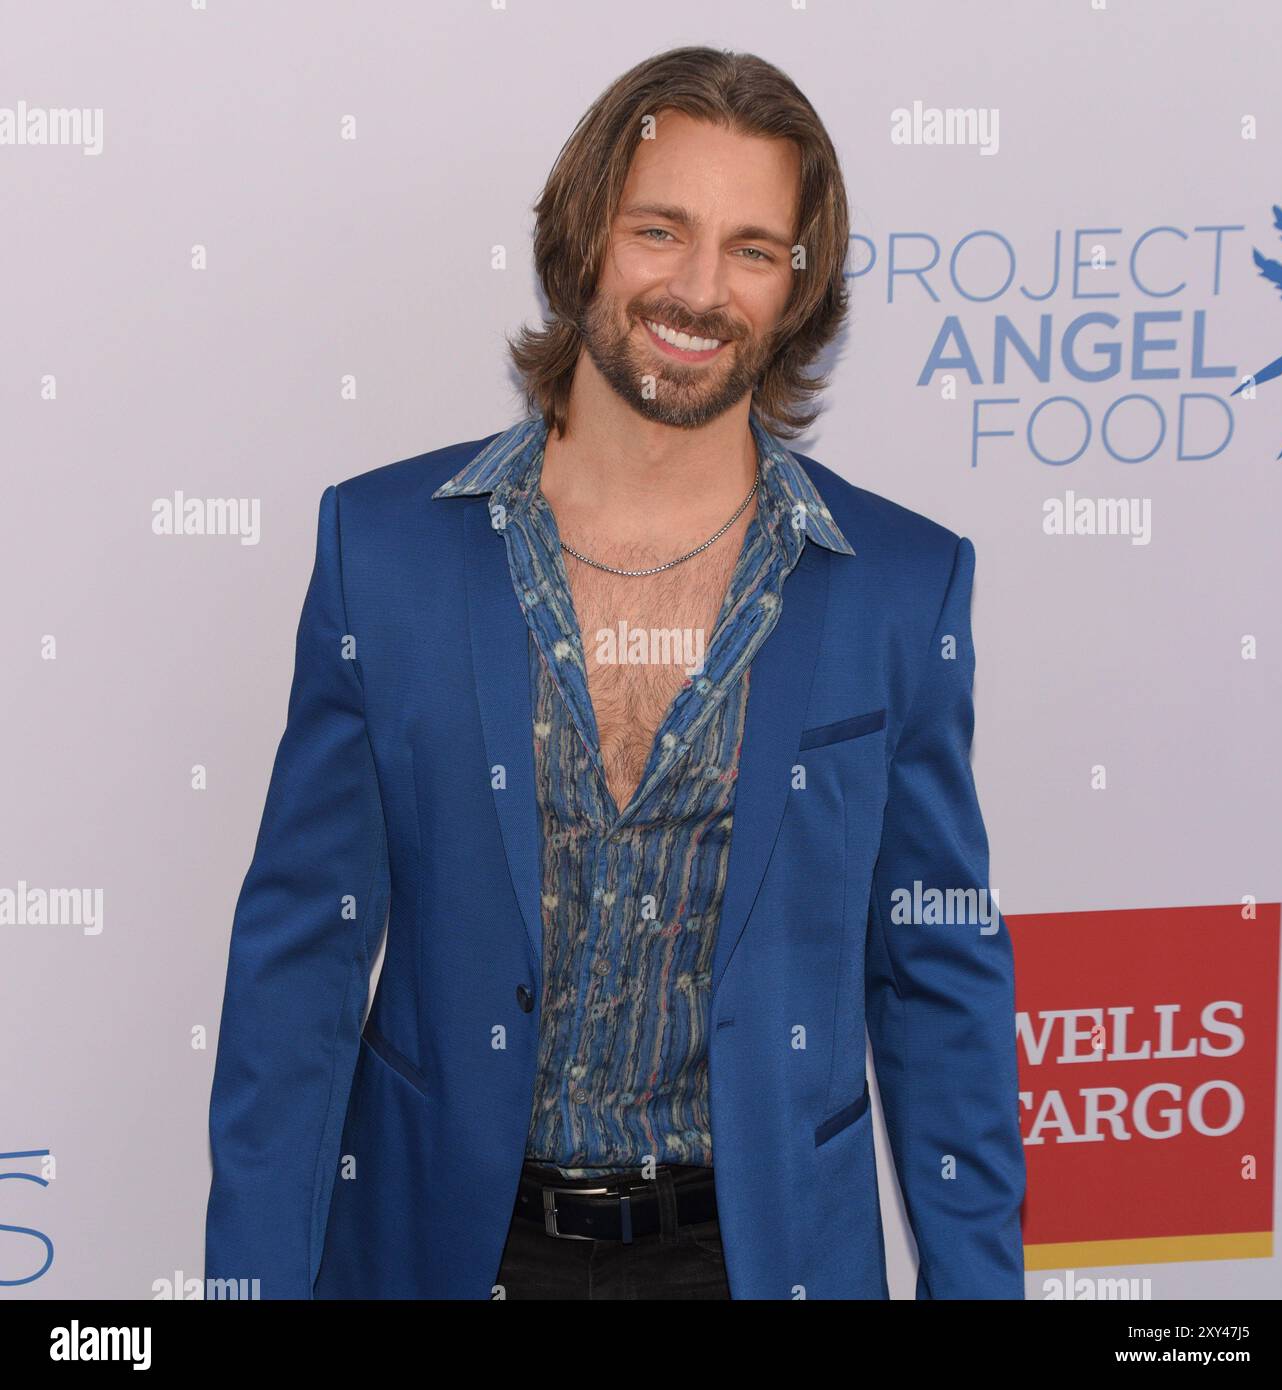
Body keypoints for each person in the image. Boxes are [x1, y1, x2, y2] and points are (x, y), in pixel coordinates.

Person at [204, 45, 1026, 1301]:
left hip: (758, 1258)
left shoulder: (901, 589)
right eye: (660, 230)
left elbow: (935, 982)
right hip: (442, 1246)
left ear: (798, 289)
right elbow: (298, 965)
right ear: (585, 235)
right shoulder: (383, 555)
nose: (698, 290)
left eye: (753, 249)